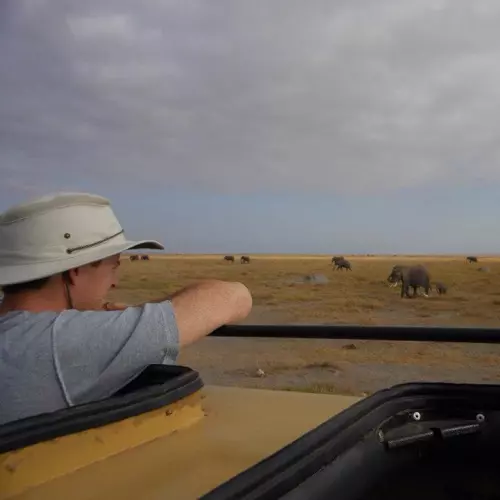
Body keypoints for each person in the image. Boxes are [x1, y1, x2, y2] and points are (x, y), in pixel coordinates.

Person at [0, 192, 252, 425]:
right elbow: (235, 297)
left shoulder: (13, 332)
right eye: (113, 266)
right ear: (76, 271)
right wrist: (135, 315)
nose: (115, 281)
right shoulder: (60, 340)